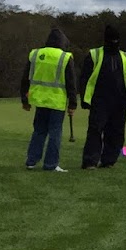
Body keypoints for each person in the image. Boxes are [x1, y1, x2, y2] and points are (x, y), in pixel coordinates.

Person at [78, 24, 126, 169]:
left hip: (119, 101)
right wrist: (84, 99)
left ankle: (109, 160)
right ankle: (90, 161)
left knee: (116, 133)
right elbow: (84, 78)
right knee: (95, 131)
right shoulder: (94, 55)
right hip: (99, 100)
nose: (114, 43)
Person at [20, 27, 78, 172]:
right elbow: (71, 83)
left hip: (39, 100)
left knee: (39, 131)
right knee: (55, 134)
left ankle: (31, 161)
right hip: (57, 102)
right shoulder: (65, 57)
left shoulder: (35, 54)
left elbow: (25, 78)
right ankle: (50, 164)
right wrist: (73, 104)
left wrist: (24, 99)